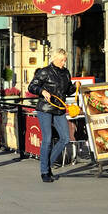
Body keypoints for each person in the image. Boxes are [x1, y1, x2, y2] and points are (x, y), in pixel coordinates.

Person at [28, 48, 76, 183]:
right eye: (61, 60)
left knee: (65, 138)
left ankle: (47, 164)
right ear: (54, 59)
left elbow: (68, 90)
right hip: (45, 108)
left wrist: (76, 87)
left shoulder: (66, 72)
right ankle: (45, 171)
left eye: (65, 60)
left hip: (59, 109)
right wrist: (42, 91)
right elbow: (31, 86)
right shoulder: (45, 72)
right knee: (47, 139)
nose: (63, 63)